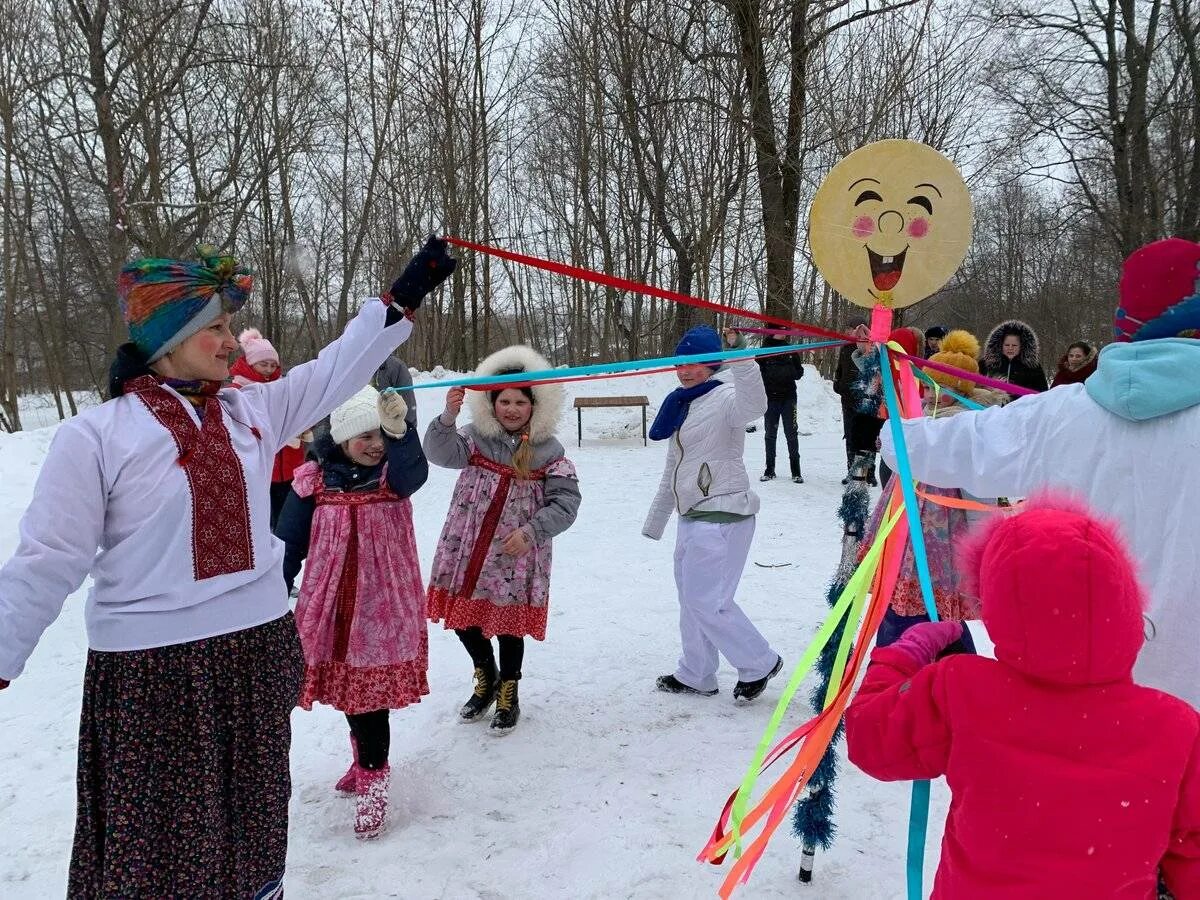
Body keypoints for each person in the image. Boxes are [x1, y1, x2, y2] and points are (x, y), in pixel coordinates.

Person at [0, 237, 455, 897]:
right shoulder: (95, 438)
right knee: (158, 845)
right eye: (213, 328)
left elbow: (335, 369)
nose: (230, 342)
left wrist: (406, 291)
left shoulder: (252, 411)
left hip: (255, 652)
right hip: (152, 672)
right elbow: (46, 561)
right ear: (168, 341)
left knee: (250, 825)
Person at [879, 237, 1200, 710]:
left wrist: (897, 404)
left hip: (1080, 700)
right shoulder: (1054, 413)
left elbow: (907, 447)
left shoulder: (1055, 416)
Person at [845, 494, 1200, 898]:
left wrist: (902, 657)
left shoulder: (960, 690)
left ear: (996, 601)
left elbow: (871, 738)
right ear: (1125, 600)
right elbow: (1192, 854)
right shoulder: (1178, 729)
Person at [275, 386, 428, 839]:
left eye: (380, 434)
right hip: (330, 605)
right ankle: (362, 760)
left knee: (370, 700)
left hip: (381, 609)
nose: (374, 444)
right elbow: (288, 543)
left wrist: (401, 434)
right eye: (363, 436)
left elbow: (413, 473)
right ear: (340, 440)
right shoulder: (314, 481)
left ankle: (373, 783)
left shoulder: (392, 477)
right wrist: (274, 587)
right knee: (346, 692)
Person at [424, 346, 581, 734]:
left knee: (508, 626)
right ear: (491, 404)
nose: (511, 409)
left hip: (515, 552)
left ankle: (509, 688)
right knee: (464, 618)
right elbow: (438, 453)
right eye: (504, 401)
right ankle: (486, 675)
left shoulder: (549, 450)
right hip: (467, 545)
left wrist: (532, 532)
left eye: (519, 402)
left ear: (535, 405)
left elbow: (567, 501)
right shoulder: (474, 438)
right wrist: (448, 415)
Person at [643, 325, 783, 702]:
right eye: (681, 363)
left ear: (712, 365)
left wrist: (739, 352)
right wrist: (656, 521)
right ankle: (697, 673)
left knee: (708, 600)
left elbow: (756, 404)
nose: (686, 371)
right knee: (691, 599)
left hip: (724, 512)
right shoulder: (681, 404)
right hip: (692, 515)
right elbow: (674, 468)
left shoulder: (727, 398)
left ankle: (759, 661)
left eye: (696, 364)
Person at [862, 330, 1008, 650]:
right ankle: (910, 667)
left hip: (941, 540)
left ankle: (904, 669)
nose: (926, 393)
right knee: (910, 607)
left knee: (931, 612)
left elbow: (979, 495)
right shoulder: (924, 420)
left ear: (956, 390)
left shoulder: (966, 428)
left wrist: (982, 550)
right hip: (906, 535)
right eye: (925, 386)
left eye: (934, 387)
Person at [230, 328, 308, 592]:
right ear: (251, 363)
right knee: (260, 526)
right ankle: (257, 576)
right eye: (264, 363)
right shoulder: (236, 390)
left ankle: (284, 577)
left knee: (287, 526)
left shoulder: (281, 388)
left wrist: (302, 430)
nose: (269, 369)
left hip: (290, 469)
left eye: (273, 364)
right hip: (261, 472)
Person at [756, 334, 805, 483]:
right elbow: (756, 371)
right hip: (770, 399)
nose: (783, 332)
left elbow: (799, 372)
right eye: (778, 329)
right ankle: (769, 470)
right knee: (770, 434)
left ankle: (796, 471)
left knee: (791, 433)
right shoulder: (764, 351)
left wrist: (789, 371)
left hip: (789, 398)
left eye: (785, 330)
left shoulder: (790, 350)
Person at [833, 318, 866, 478]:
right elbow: (840, 368)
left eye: (850, 328)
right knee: (850, 435)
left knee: (865, 436)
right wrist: (837, 383)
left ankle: (867, 473)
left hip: (864, 399)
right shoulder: (845, 346)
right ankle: (851, 471)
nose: (847, 331)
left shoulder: (869, 347)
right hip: (847, 398)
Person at [980, 319, 1049, 394]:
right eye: (1007, 345)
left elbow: (1043, 394)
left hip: (1023, 405)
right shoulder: (986, 363)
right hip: (991, 404)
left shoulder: (1033, 367)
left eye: (1014, 345)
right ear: (1000, 345)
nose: (1010, 348)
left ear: (1022, 346)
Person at [374, 351, 418, 431]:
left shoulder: (396, 366)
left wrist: (408, 430)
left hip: (390, 431)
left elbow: (408, 404)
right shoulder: (352, 369)